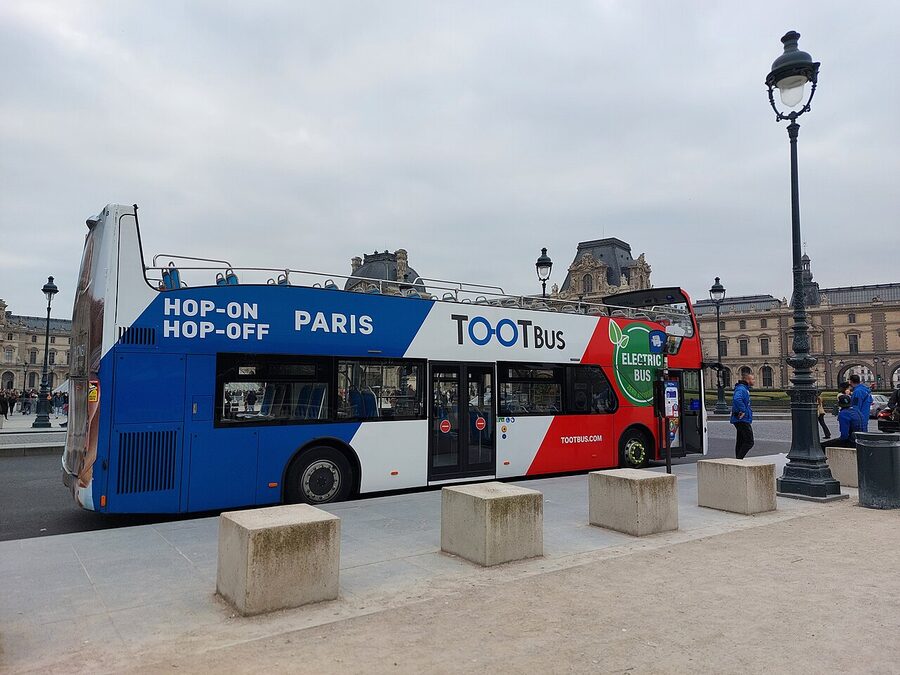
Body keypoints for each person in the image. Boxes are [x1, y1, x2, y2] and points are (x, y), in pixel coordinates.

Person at [730, 372, 755, 460]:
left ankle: (738, 459)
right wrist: (743, 410)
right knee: (749, 441)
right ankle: (739, 459)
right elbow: (737, 399)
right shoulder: (742, 389)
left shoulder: (742, 388)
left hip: (740, 419)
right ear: (747, 380)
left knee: (740, 441)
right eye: (752, 379)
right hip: (742, 419)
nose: (754, 381)